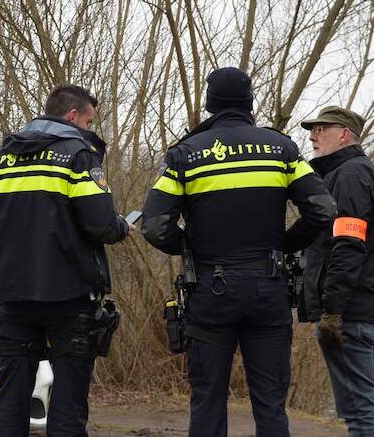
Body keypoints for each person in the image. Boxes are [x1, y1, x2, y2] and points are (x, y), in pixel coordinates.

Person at [141, 67, 337, 437]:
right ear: (249, 103)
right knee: (270, 405)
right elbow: (324, 210)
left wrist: (187, 248)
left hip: (209, 293)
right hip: (268, 289)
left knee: (208, 401)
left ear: (210, 105)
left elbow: (153, 225)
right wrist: (286, 244)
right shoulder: (281, 149)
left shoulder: (187, 154)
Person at [0, 85, 133, 437]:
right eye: (88, 121)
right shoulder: (77, 155)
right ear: (73, 116)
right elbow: (101, 223)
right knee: (69, 406)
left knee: (10, 399)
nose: (90, 129)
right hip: (70, 299)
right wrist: (123, 228)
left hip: (13, 299)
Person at [286, 105, 374, 437]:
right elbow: (316, 229)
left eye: (320, 130)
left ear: (343, 134)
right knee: (372, 406)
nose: (311, 136)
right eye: (312, 130)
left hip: (350, 314)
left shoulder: (350, 175)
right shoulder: (354, 173)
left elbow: (348, 246)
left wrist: (332, 310)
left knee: (361, 414)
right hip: (365, 310)